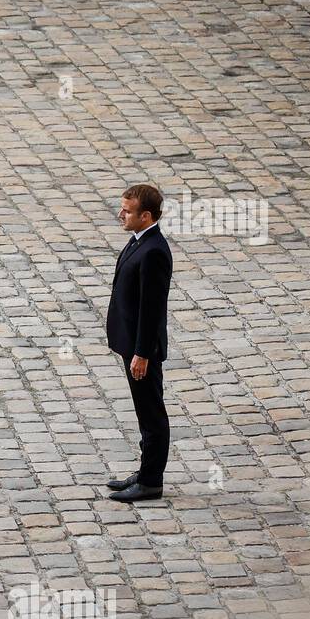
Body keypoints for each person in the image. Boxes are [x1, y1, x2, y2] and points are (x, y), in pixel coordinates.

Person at [104, 184, 173, 502]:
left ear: (146, 216)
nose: (121, 214)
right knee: (143, 410)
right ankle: (146, 471)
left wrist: (142, 353)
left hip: (142, 350)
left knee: (151, 414)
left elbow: (152, 308)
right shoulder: (139, 242)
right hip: (131, 344)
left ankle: (151, 482)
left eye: (127, 211)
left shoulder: (154, 251)